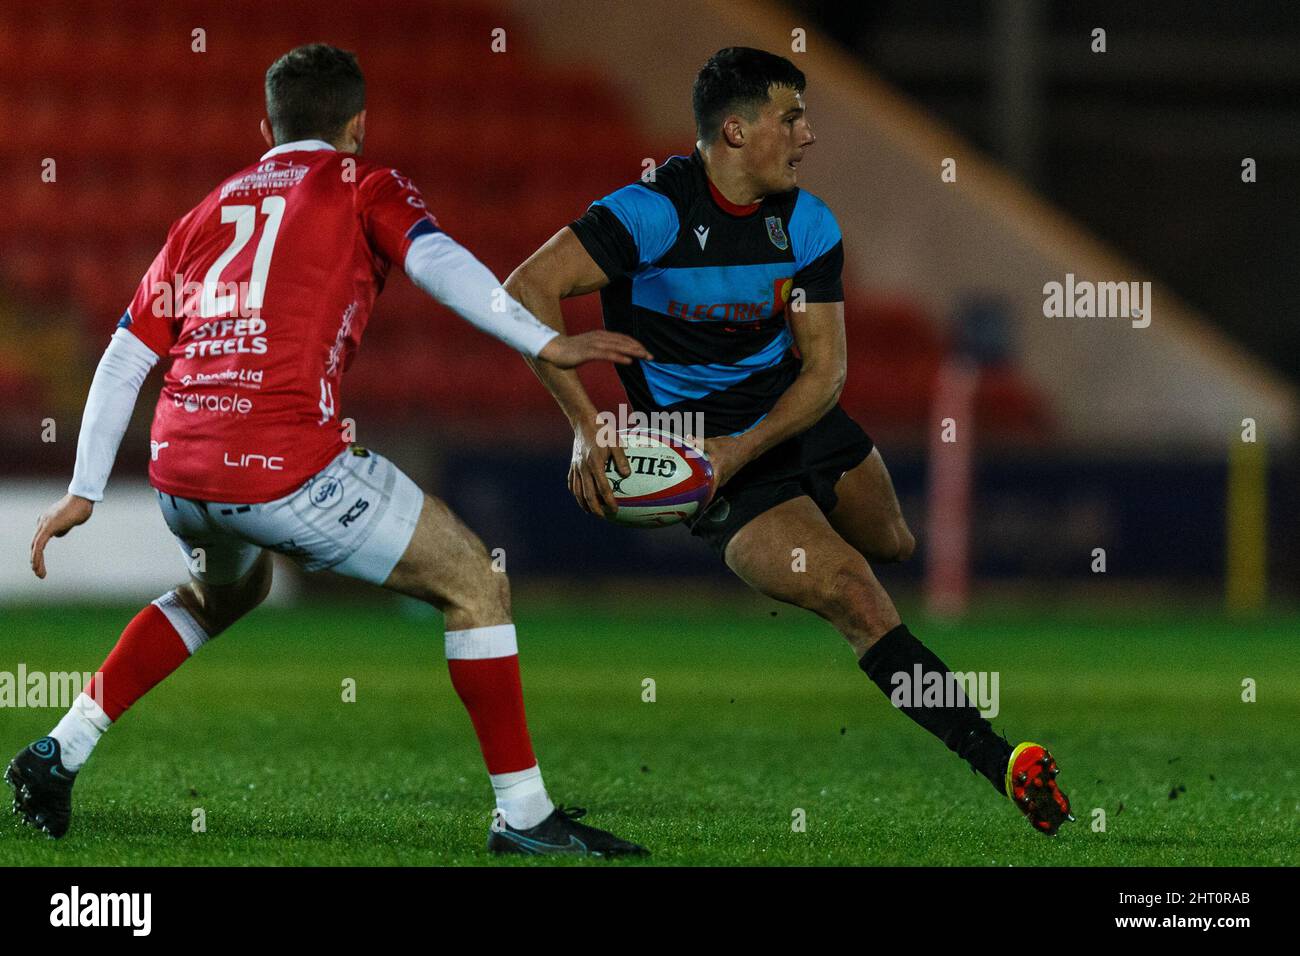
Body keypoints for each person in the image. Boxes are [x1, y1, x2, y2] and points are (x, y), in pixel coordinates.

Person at [13, 43, 648, 857]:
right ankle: (524, 815)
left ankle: (57, 751)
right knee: (475, 582)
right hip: (281, 466)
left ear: (265, 126)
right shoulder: (363, 183)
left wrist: (84, 489)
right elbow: (437, 262)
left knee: (224, 596)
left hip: (179, 465)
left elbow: (127, 352)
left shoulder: (208, 210)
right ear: (356, 125)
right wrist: (540, 340)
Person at [504, 47, 1072, 836]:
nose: (807, 134)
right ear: (735, 131)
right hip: (704, 452)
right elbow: (524, 288)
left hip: (794, 419)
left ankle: (815, 529)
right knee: (857, 596)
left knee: (896, 544)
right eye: (791, 116)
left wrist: (753, 444)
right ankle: (1000, 760)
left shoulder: (805, 223)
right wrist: (586, 424)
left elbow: (826, 372)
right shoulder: (652, 214)